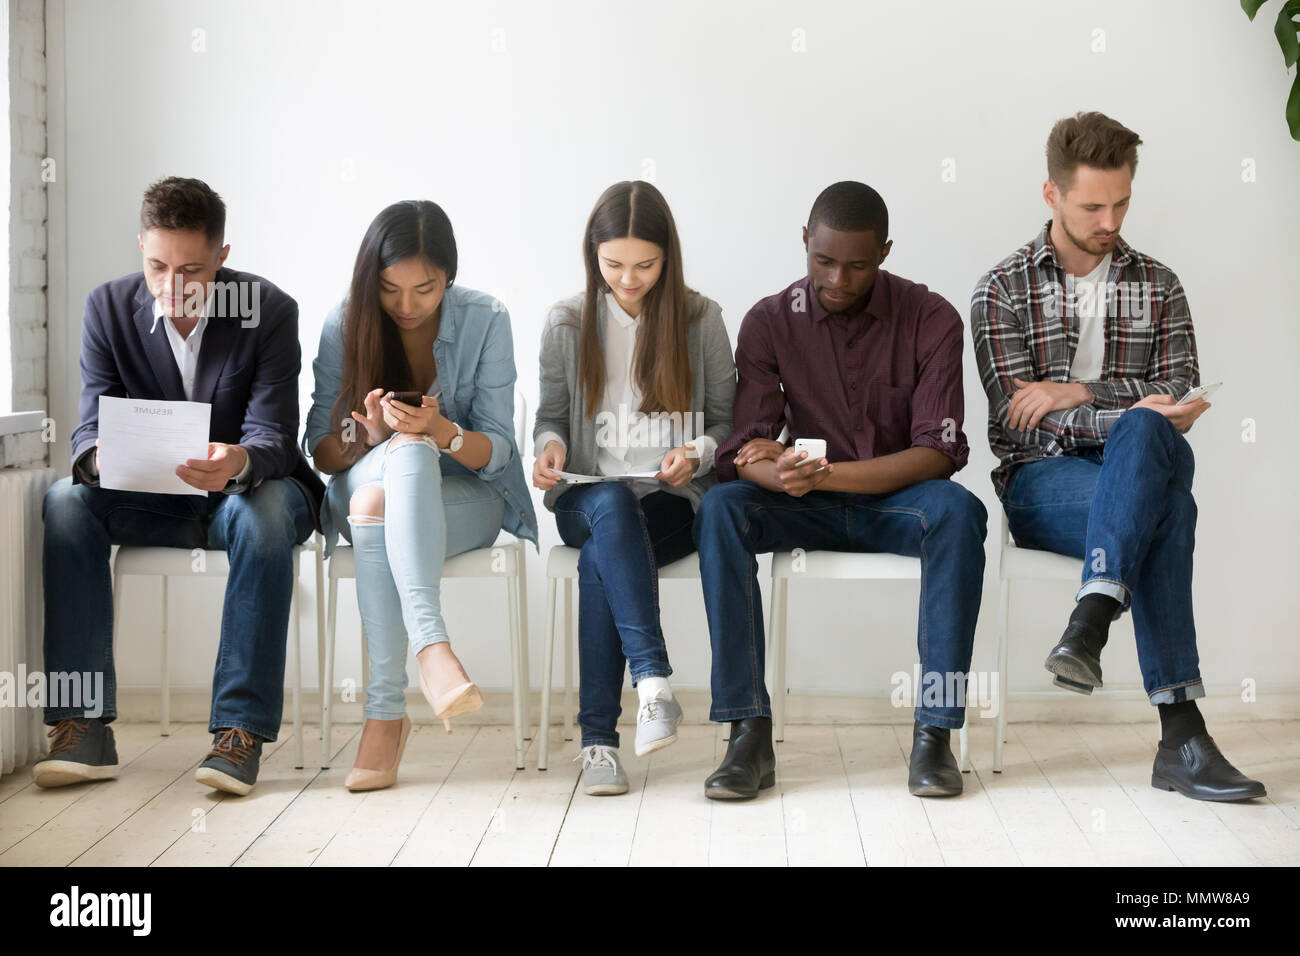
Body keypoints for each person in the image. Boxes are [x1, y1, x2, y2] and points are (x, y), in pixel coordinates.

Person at [970, 111, 1265, 802]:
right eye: (1092, 205)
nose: (1111, 220)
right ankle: (1182, 739)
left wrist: (1079, 391)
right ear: (1052, 195)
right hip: (1042, 483)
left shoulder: (1159, 284)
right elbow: (1025, 429)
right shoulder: (1002, 290)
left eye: (1122, 202)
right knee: (1166, 498)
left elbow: (1180, 389)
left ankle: (1091, 618)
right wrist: (1134, 413)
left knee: (1149, 446)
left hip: (1136, 466)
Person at [695, 181, 986, 800]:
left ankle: (935, 734)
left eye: (857, 265)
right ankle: (747, 733)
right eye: (823, 260)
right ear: (805, 240)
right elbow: (741, 447)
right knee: (723, 508)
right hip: (806, 505)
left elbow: (938, 453)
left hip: (897, 505)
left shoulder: (931, 318)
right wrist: (774, 472)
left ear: (884, 251)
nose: (837, 278)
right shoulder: (771, 322)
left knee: (960, 512)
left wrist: (816, 470)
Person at [33, 177, 323, 796]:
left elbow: (274, 433)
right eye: (156, 266)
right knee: (64, 500)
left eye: (191, 269)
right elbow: (87, 426)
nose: (171, 287)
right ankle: (80, 725)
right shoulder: (107, 308)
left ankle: (238, 733)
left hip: (245, 495)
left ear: (221, 256)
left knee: (264, 514)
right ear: (140, 246)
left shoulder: (269, 309)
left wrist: (238, 458)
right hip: (150, 497)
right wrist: (98, 458)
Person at [306, 200, 537, 792]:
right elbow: (322, 451)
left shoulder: (487, 319)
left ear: (449, 278)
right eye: (389, 289)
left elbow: (501, 452)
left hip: (466, 498)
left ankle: (386, 713)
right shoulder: (344, 323)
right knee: (389, 470)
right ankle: (433, 651)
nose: (406, 307)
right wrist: (371, 434)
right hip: (368, 477)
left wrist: (441, 432)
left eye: (425, 289)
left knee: (380, 496)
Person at [533, 181, 735, 796]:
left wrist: (696, 452)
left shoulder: (700, 319)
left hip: (669, 499)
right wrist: (552, 448)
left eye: (644, 265)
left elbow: (729, 422)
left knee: (605, 554)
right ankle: (652, 682)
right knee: (611, 507)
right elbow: (550, 414)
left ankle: (600, 743)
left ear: (667, 257)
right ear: (593, 257)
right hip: (587, 495)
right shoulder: (568, 321)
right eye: (613, 264)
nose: (628, 278)